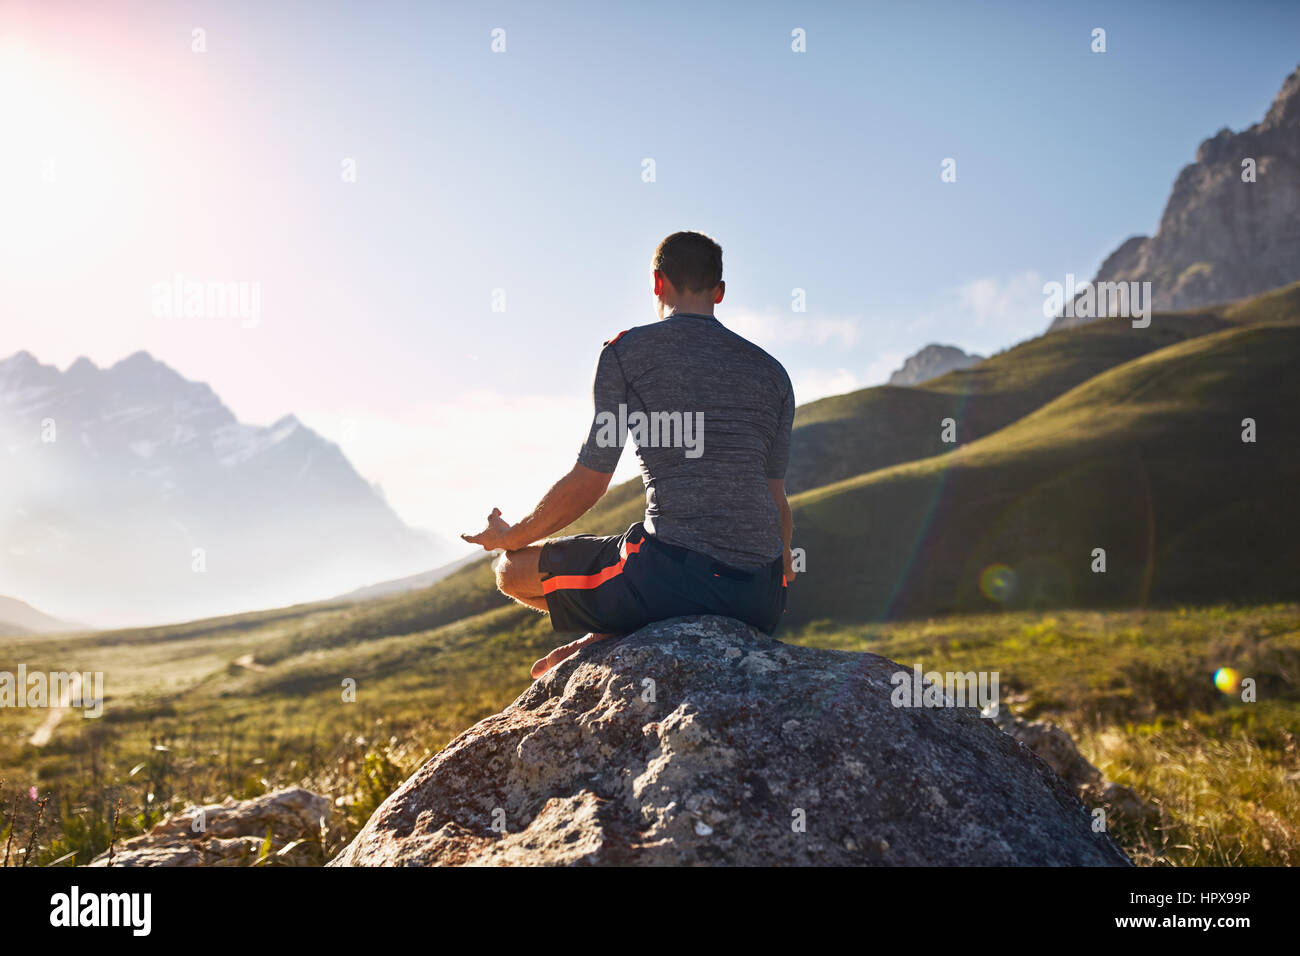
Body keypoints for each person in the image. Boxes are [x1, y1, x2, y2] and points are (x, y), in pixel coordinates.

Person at [461, 231, 796, 678]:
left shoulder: (626, 353)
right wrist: (778, 571)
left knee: (510, 571)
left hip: (671, 577)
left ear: (657, 283)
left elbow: (590, 482)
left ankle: (619, 625)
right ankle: (619, 622)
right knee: (635, 565)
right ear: (719, 292)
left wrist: (512, 536)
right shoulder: (773, 373)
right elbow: (776, 498)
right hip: (762, 596)